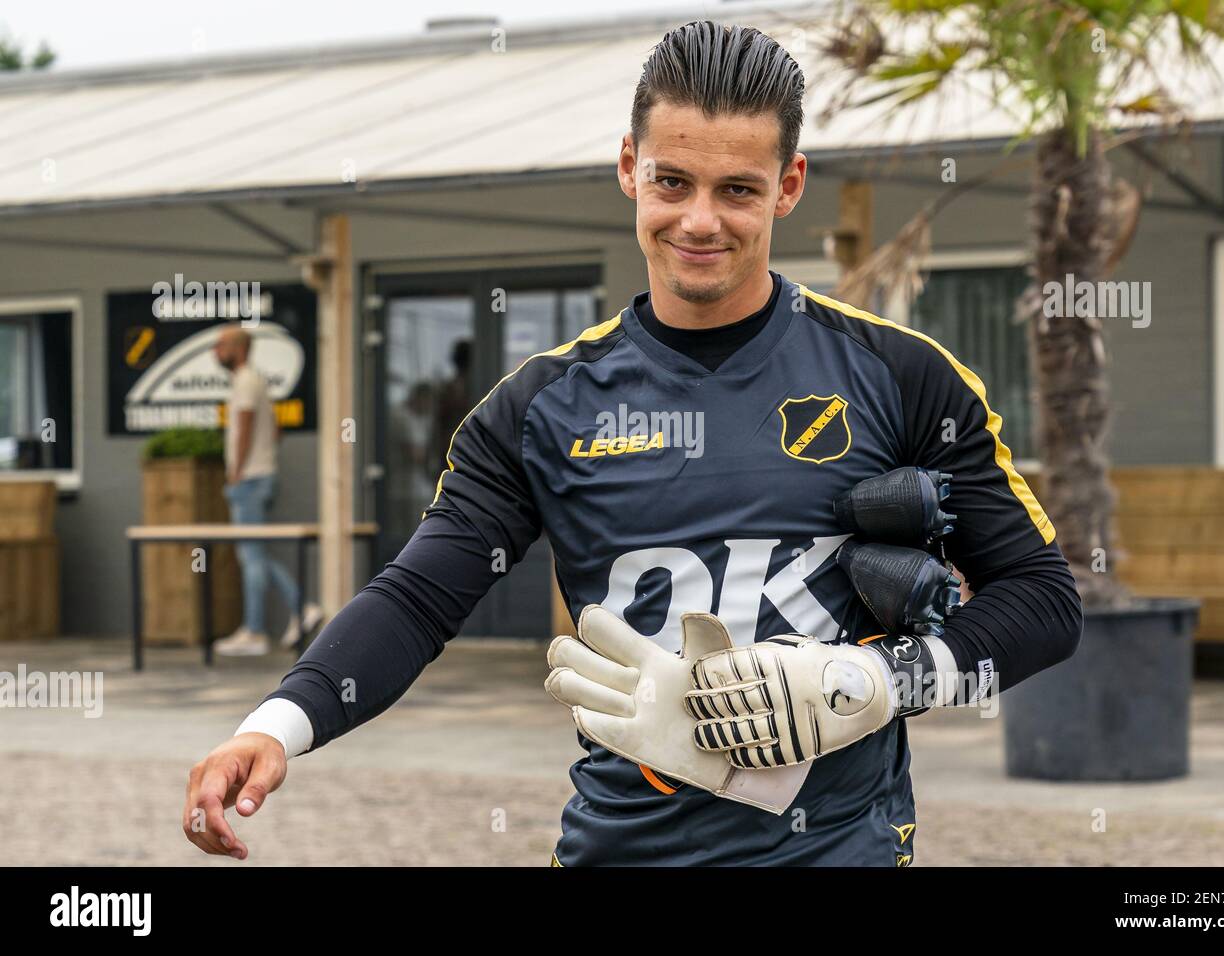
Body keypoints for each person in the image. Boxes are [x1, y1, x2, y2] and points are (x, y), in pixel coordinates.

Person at [184, 21, 1082, 865]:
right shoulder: (539, 408)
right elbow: (419, 599)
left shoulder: (902, 376)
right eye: (672, 182)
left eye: (739, 190)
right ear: (629, 168)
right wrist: (275, 725)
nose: (700, 221)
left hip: (841, 848)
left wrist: (877, 683)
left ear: (791, 184)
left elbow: (1044, 603)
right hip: (622, 849)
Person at [211, 324, 322, 656]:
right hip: (260, 477)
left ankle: (257, 631)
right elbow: (275, 432)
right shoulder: (255, 382)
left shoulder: (246, 382)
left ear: (239, 348)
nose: (215, 352)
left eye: (220, 346)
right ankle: (300, 610)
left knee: (251, 556)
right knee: (255, 554)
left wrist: (236, 472)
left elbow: (245, 428)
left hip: (250, 480)